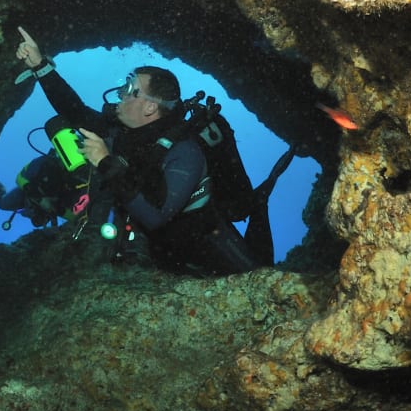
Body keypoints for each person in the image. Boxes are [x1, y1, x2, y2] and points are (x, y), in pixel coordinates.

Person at [14, 26, 289, 275]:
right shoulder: (119, 130)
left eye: (130, 88)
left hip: (205, 241)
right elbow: (74, 111)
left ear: (149, 107)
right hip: (161, 251)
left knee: (260, 275)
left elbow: (156, 216)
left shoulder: (185, 151)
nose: (121, 93)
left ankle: (260, 202)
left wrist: (105, 161)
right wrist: (40, 66)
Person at [0, 154, 87, 231]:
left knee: (36, 220)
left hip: (44, 204)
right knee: (3, 204)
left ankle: (30, 210)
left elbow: (74, 216)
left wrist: (57, 209)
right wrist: (39, 198)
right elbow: (20, 178)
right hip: (25, 194)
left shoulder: (78, 183)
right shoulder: (45, 162)